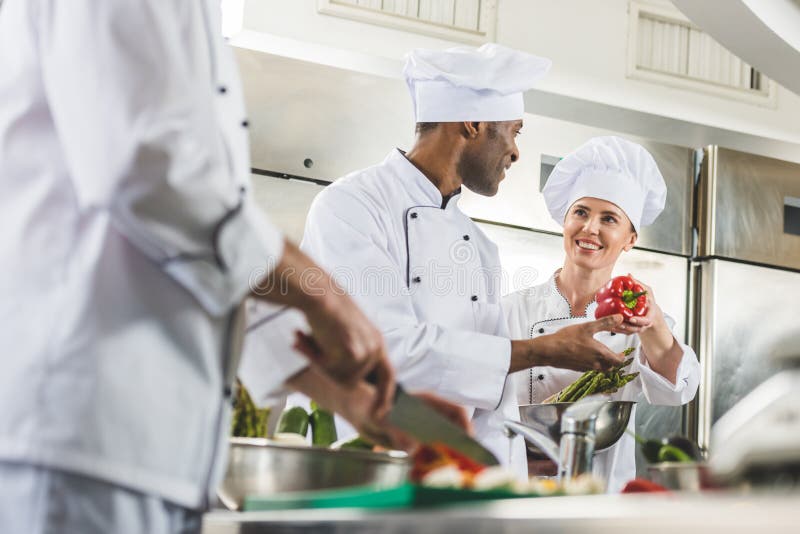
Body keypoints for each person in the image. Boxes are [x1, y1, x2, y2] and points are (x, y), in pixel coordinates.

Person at [0, 1, 464, 532]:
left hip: (151, 451)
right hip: (80, 434)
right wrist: (321, 294)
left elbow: (209, 255)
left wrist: (359, 401)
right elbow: (146, 168)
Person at [274, 43, 627, 478]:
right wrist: (541, 351)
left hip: (444, 481)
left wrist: (503, 488)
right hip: (359, 468)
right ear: (473, 123)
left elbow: (493, 405)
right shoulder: (351, 206)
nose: (515, 152)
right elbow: (381, 350)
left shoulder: (481, 248)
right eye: (513, 131)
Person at [503, 136, 701, 492]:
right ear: (565, 222)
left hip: (601, 501)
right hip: (518, 492)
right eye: (580, 212)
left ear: (630, 239)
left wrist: (651, 323)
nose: (590, 228)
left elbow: (678, 391)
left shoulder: (644, 320)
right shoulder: (511, 310)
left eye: (609, 218)